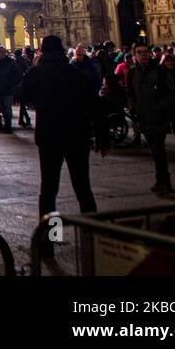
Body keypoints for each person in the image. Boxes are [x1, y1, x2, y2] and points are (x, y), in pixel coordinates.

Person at [17, 35, 107, 232]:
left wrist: (34, 69)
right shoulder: (75, 73)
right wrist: (102, 137)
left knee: (49, 191)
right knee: (83, 187)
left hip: (49, 136)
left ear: (42, 51)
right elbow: (95, 106)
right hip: (77, 135)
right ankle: (92, 233)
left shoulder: (36, 72)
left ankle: (51, 239)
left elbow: (22, 95)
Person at [128, 42, 175, 194]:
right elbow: (129, 92)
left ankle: (164, 181)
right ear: (134, 55)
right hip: (143, 117)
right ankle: (161, 180)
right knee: (155, 149)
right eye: (139, 52)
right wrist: (133, 106)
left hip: (158, 117)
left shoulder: (160, 71)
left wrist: (160, 106)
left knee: (158, 149)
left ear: (149, 53)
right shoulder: (131, 73)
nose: (143, 55)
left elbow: (172, 92)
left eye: (145, 52)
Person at [0, 46, 23, 132]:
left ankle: (8, 125)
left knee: (7, 108)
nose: (1, 54)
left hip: (8, 89)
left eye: (3, 52)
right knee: (0, 107)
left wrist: (13, 84)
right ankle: (1, 124)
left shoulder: (11, 62)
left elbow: (18, 74)